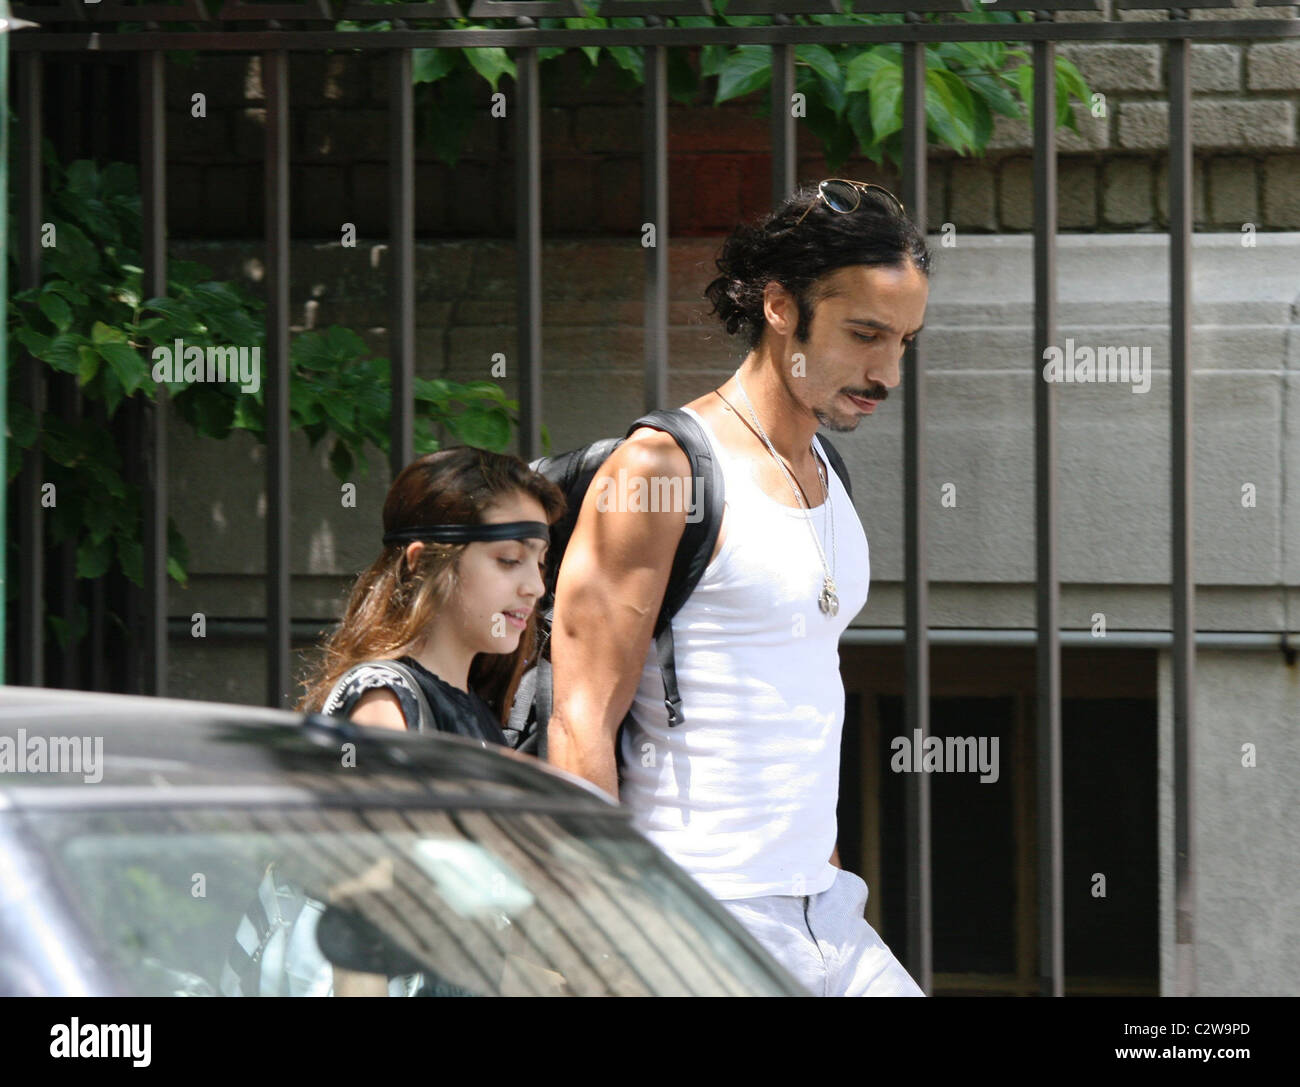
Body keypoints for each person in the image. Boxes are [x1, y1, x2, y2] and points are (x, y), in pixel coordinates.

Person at [547, 179, 931, 997]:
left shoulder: (828, 471)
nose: (886, 371)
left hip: (822, 910)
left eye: (904, 341)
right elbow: (581, 716)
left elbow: (800, 691)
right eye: (865, 334)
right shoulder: (662, 469)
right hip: (697, 913)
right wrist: (612, 938)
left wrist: (821, 866)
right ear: (781, 307)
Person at [297, 446, 565, 742]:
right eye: (509, 559)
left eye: (540, 564)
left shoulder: (476, 708)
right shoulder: (384, 702)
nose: (536, 587)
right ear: (422, 563)